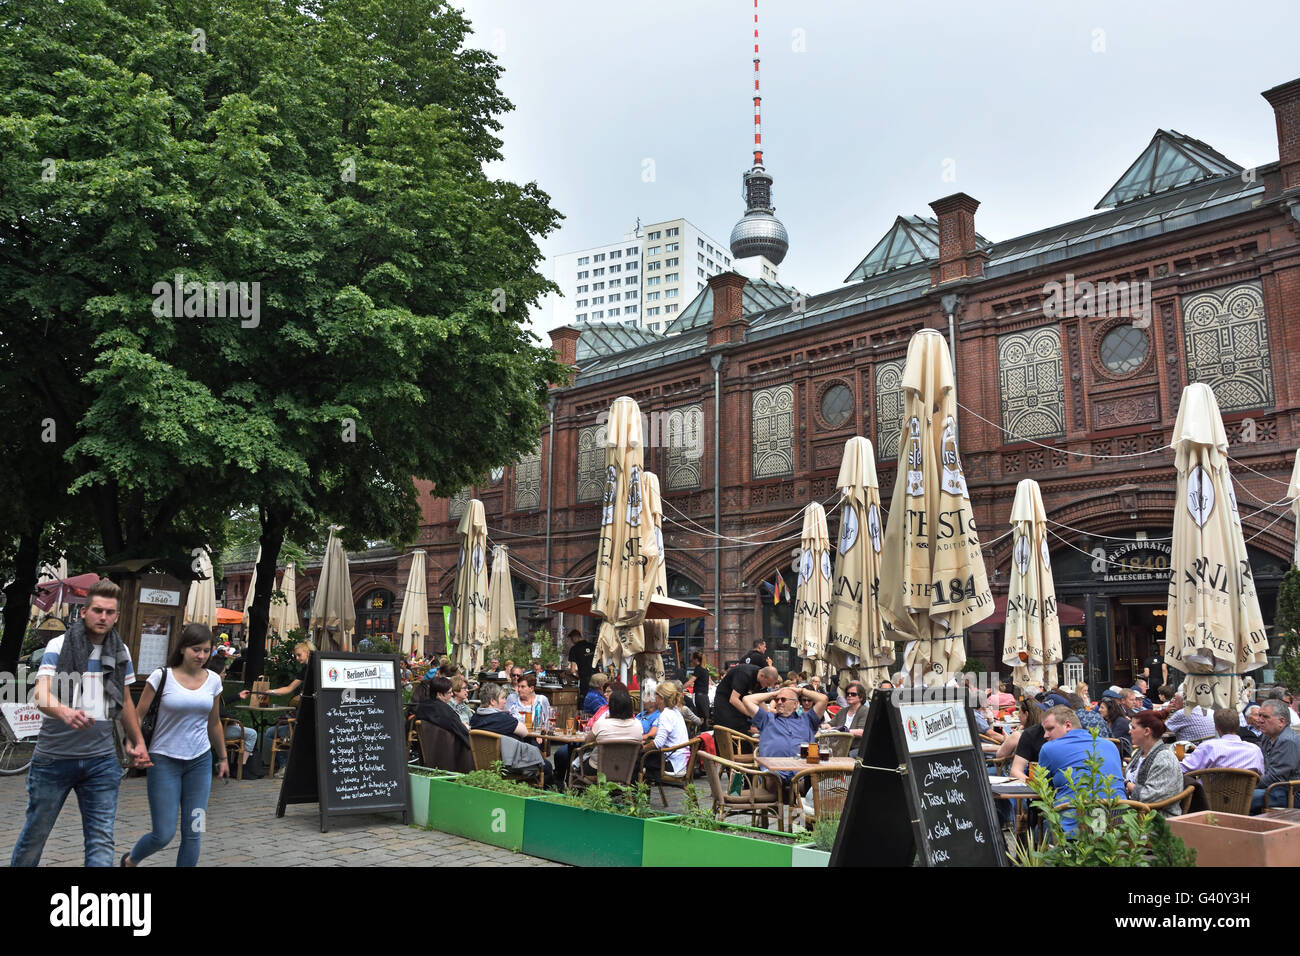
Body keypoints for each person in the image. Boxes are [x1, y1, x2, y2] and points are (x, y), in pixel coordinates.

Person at [10, 579, 150, 867]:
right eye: (97, 610)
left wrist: (138, 743)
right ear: (84, 612)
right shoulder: (59, 645)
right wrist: (64, 712)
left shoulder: (119, 650)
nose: (103, 617)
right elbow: (40, 693)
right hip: (54, 760)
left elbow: (124, 700)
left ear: (117, 616)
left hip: (100, 761)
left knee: (101, 840)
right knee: (35, 835)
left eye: (109, 612)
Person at [123, 624, 228, 866]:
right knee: (164, 833)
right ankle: (131, 860)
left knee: (194, 831)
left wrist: (222, 758)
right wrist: (133, 742)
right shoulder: (161, 676)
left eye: (206, 651)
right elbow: (138, 715)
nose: (201, 656)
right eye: (195, 649)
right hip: (163, 762)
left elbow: (214, 723)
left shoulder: (213, 680)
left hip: (200, 763)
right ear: (182, 648)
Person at [1038, 706, 1124, 831]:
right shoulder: (1110, 745)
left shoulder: (1049, 748)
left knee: (1039, 828)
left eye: (1050, 729)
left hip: (1074, 828)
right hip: (1118, 826)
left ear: (1068, 725)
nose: (1045, 735)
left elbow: (1042, 786)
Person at [239, 639, 313, 766]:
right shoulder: (307, 669)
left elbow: (289, 689)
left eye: (299, 655)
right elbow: (289, 688)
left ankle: (284, 766)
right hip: (304, 720)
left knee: (270, 733)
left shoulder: (310, 669)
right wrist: (270, 691)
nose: (296, 658)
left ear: (308, 652)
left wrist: (269, 692)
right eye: (295, 655)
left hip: (302, 722)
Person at [740, 684, 828, 787]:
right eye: (777, 700)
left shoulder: (807, 719)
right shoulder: (767, 719)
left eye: (783, 699)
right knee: (773, 780)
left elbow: (823, 699)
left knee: (816, 782)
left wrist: (800, 691)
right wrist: (774, 694)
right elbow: (747, 700)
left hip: (802, 772)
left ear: (795, 704)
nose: (779, 702)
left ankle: (801, 799)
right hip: (774, 772)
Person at [470, 683, 553, 787]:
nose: (505, 701)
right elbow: (524, 732)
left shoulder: (475, 718)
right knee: (547, 767)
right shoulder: (502, 718)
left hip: (483, 763)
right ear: (492, 701)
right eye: (503, 698)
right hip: (508, 765)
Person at [1124, 710, 1183, 814]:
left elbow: (1149, 796)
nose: (1129, 731)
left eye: (1133, 728)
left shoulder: (1164, 757)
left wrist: (1127, 784)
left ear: (1147, 731)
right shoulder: (1140, 752)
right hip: (1136, 811)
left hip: (1156, 819)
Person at [1179, 708, 1265, 776]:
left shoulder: (1208, 747)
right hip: (1245, 796)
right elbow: (1260, 774)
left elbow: (1183, 769)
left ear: (1216, 727)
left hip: (1210, 795)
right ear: (1238, 726)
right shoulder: (1255, 750)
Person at [1251, 699, 1300, 812]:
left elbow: (1276, 777)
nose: (1260, 720)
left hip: (1291, 793)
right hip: (1275, 789)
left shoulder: (1287, 741)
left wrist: (1249, 785)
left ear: (1282, 721)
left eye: (1265, 717)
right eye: (1259, 716)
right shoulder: (1267, 736)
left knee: (1242, 797)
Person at [413, 675, 472, 766]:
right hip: (449, 753)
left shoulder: (422, 707)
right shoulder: (446, 711)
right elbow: (463, 733)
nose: (452, 694)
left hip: (428, 751)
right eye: (449, 693)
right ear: (439, 694)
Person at [211, 655, 256, 769]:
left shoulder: (210, 687)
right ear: (216, 674)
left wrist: (237, 696)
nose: (225, 674)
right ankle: (242, 766)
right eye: (223, 672)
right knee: (252, 734)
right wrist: (233, 720)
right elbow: (219, 710)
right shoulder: (213, 689)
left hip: (217, 726)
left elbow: (221, 703)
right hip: (219, 729)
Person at [642, 683, 691, 782]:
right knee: (643, 758)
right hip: (680, 761)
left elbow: (658, 743)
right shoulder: (675, 711)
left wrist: (642, 749)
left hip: (672, 764)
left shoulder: (666, 714)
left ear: (661, 698)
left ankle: (637, 795)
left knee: (637, 760)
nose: (654, 698)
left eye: (655, 695)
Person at [711, 663, 779, 734]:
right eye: (767, 684)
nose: (767, 687)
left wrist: (768, 715)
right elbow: (733, 699)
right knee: (731, 726)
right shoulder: (744, 674)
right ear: (762, 676)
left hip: (739, 699)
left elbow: (760, 701)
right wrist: (752, 714)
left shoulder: (761, 680)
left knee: (745, 724)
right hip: (725, 699)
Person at [1008, 698, 1048, 782]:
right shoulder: (1030, 733)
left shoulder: (1020, 734)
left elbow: (1000, 754)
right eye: (1044, 712)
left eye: (1019, 712)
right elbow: (1015, 771)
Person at [827, 680, 868, 755]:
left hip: (857, 748)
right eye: (847, 694)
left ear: (861, 697)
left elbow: (861, 732)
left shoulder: (864, 710)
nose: (849, 696)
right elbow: (830, 724)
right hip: (840, 746)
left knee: (850, 754)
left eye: (853, 694)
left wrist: (842, 730)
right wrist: (823, 726)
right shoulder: (843, 711)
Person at [690, 652, 711, 731]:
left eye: (692, 659)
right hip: (705, 696)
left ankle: (698, 734)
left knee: (698, 716)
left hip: (699, 696)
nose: (691, 661)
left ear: (695, 659)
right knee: (705, 717)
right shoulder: (705, 669)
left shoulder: (698, 668)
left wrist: (680, 687)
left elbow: (691, 681)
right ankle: (705, 735)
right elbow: (709, 682)